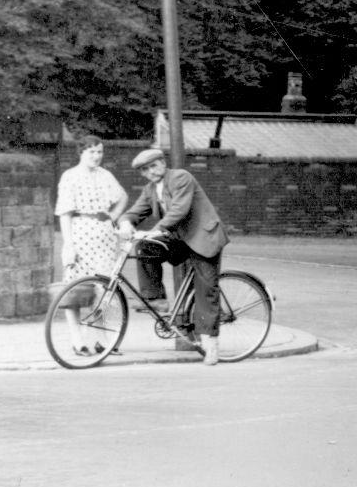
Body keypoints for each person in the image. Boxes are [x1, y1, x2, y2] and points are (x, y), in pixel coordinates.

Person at [125, 145, 231, 364]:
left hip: (203, 237)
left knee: (205, 290)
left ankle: (211, 345)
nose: (151, 172)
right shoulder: (150, 190)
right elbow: (135, 212)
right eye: (145, 170)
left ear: (163, 163)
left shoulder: (181, 177)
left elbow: (179, 210)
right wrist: (125, 223)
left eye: (154, 166)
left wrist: (154, 230)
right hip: (182, 240)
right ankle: (156, 299)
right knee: (146, 247)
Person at [53, 141, 130, 283]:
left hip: (105, 236)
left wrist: (113, 215)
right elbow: (65, 214)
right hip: (81, 234)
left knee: (105, 278)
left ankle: (103, 305)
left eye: (99, 152)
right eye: (92, 152)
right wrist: (68, 244)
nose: (96, 156)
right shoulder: (70, 176)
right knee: (77, 280)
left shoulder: (105, 174)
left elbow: (123, 197)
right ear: (81, 153)